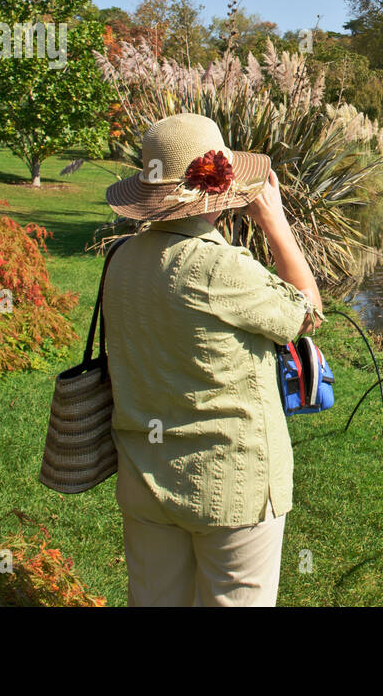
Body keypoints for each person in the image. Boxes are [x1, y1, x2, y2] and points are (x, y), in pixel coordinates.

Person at [101, 112, 322, 606]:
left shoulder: (120, 259)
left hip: (146, 476)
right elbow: (307, 313)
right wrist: (275, 221)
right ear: (220, 192)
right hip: (232, 485)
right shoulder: (220, 266)